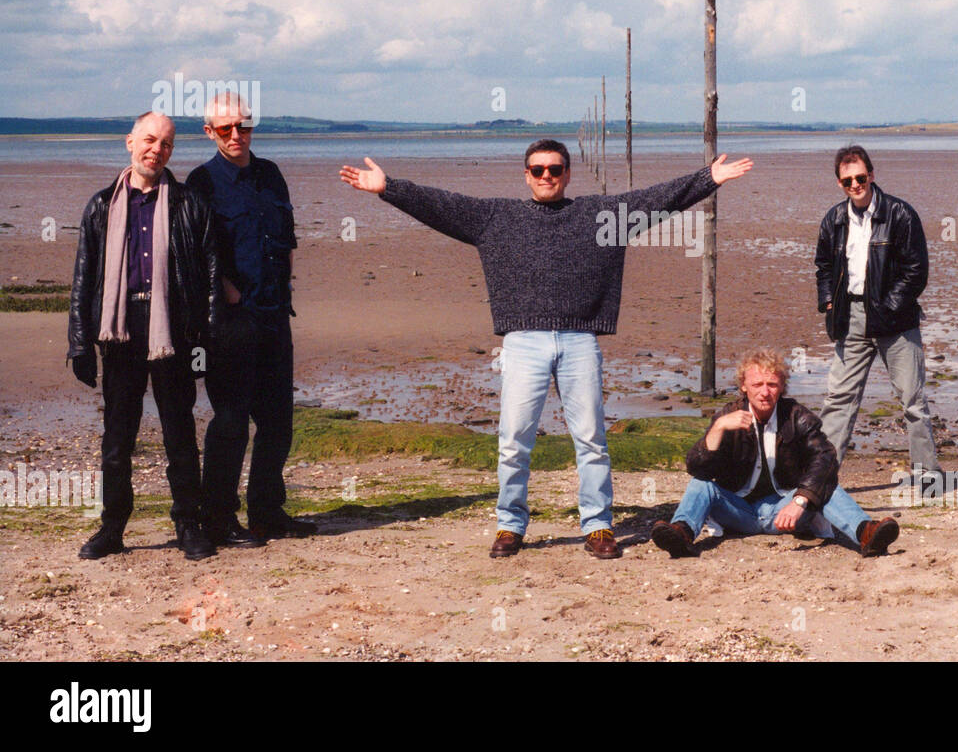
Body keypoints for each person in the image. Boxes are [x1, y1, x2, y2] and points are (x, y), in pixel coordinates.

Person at [340, 140, 752, 559]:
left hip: (579, 341)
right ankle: (510, 525)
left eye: (555, 169)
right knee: (514, 440)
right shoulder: (495, 217)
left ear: (568, 174)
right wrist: (387, 187)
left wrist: (707, 179)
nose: (546, 177)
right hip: (522, 342)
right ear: (526, 175)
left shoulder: (599, 217)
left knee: (591, 440)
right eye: (537, 170)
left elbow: (655, 201)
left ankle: (598, 527)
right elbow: (440, 205)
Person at [68, 112, 219, 561]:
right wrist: (79, 342)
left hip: (172, 330)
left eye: (167, 144)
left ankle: (189, 525)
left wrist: (205, 340)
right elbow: (83, 279)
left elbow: (211, 273)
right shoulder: (100, 206)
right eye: (149, 140)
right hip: (119, 333)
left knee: (179, 435)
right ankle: (112, 529)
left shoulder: (190, 204)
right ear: (130, 142)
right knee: (117, 440)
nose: (157, 149)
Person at [188, 93, 313, 546]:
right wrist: (229, 295)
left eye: (244, 125)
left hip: (276, 314)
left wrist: (285, 289)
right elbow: (198, 255)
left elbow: (288, 237)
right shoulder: (201, 183)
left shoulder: (271, 175)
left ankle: (267, 511)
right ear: (209, 132)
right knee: (231, 421)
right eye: (226, 129)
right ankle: (218, 518)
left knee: (278, 421)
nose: (237, 135)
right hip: (232, 322)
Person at [649, 348, 899, 558]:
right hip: (738, 511)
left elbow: (825, 458)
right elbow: (697, 468)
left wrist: (800, 500)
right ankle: (681, 533)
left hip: (787, 511)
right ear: (744, 387)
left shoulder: (797, 416)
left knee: (825, 484)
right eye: (757, 384)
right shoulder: (728, 415)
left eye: (772, 384)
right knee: (700, 485)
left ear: (782, 387)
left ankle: (866, 533)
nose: (764, 392)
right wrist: (718, 429)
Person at [815, 145, 941, 484]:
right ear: (839, 184)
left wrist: (887, 307)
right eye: (847, 181)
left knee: (912, 402)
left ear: (871, 175)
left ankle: (928, 476)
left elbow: (916, 272)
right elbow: (824, 266)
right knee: (838, 401)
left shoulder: (900, 214)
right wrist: (828, 301)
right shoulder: (834, 219)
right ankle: (820, 481)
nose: (855, 185)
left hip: (896, 322)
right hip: (850, 319)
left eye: (860, 178)